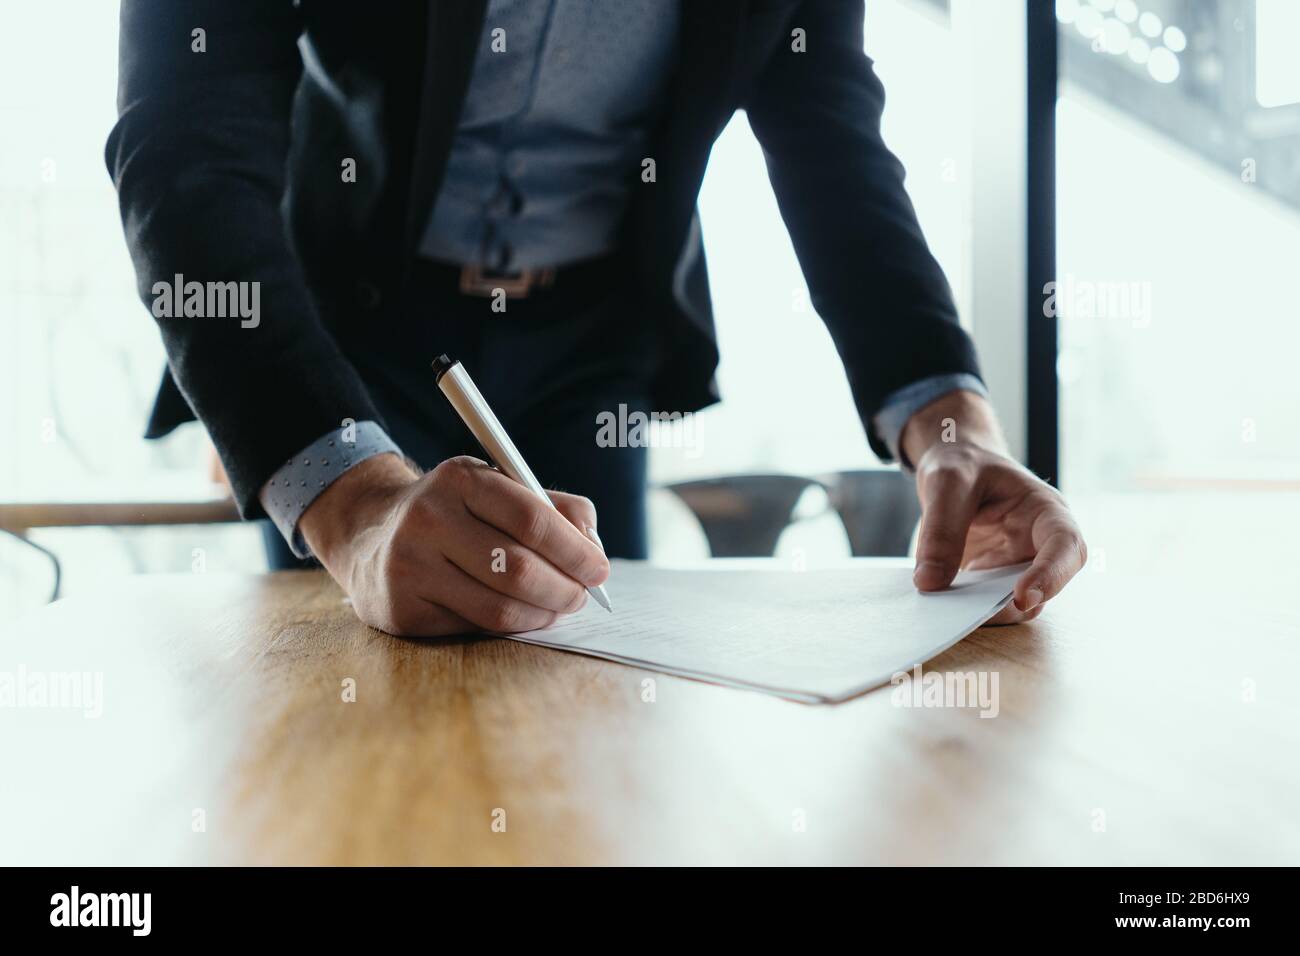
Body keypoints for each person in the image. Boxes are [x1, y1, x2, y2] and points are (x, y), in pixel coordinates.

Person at [108, 0, 1086, 637]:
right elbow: (183, 140)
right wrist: (353, 507)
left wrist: (952, 423)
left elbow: (832, 139)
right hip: (343, 344)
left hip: (592, 343)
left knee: (594, 665)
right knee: (343, 690)